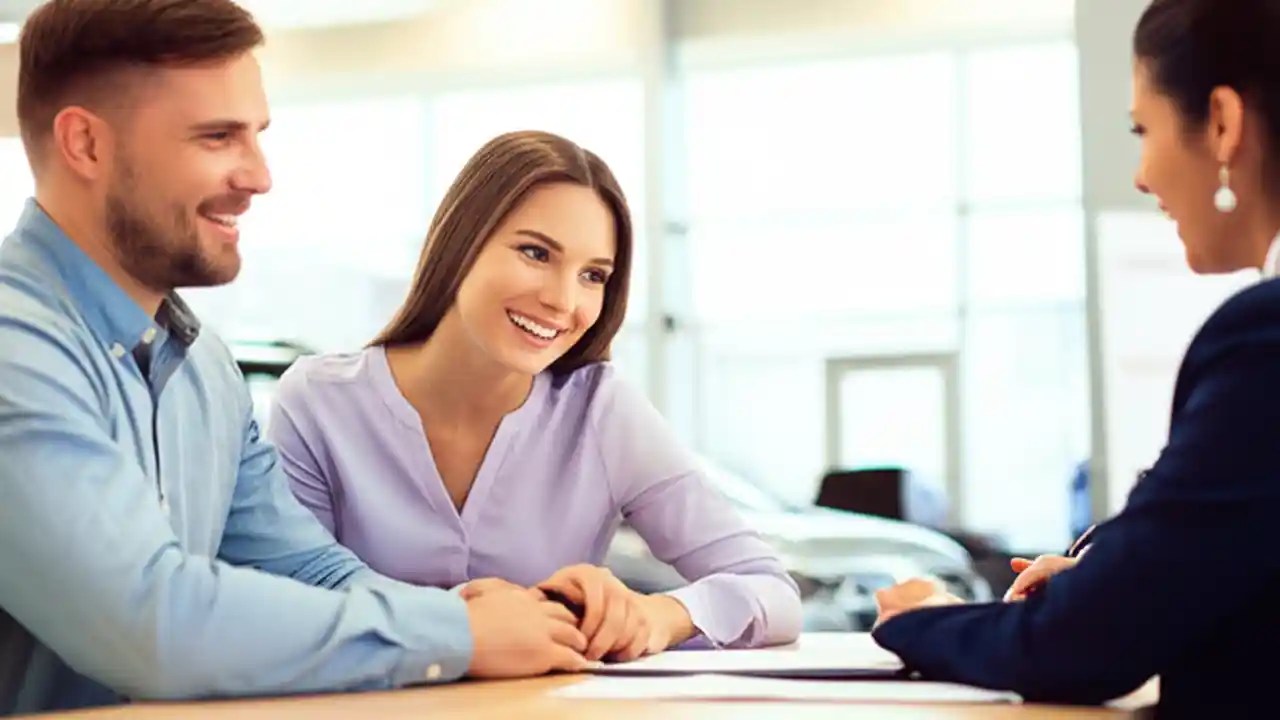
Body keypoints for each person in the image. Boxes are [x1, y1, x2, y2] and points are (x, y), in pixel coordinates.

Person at [0, 1, 588, 714]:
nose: (258, 176)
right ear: (86, 145)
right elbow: (147, 622)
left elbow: (305, 567)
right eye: (218, 137)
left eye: (257, 135)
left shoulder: (204, 369)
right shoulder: (16, 345)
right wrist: (455, 633)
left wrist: (490, 617)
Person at [871, 0, 1280, 716]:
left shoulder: (1263, 340)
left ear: (1221, 123)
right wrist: (1112, 577)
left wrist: (918, 622)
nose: (1142, 176)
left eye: (1142, 130)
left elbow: (1082, 649)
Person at [266, 130, 804, 662]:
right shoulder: (318, 403)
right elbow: (286, 601)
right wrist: (459, 622)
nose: (562, 300)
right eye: (535, 252)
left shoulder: (601, 412)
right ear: (461, 242)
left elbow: (772, 592)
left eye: (593, 275)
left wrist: (653, 616)